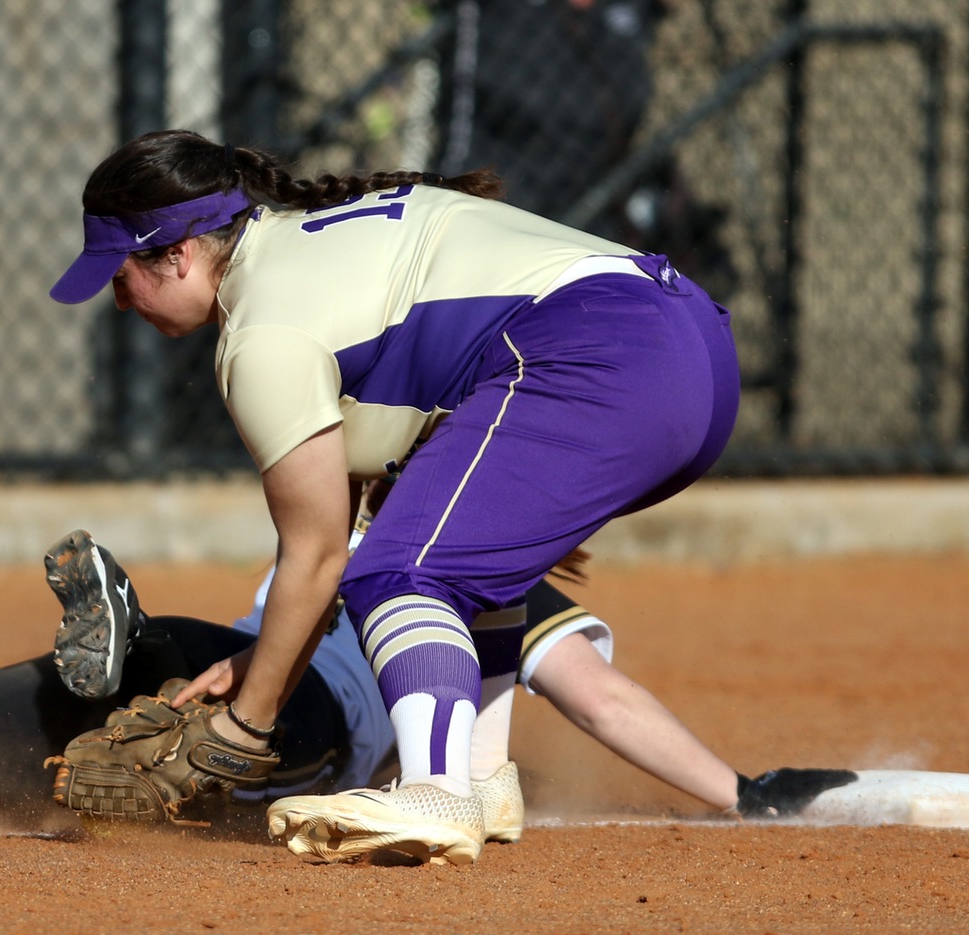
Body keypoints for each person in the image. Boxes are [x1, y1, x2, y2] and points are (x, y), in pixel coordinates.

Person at [0, 436, 842, 836]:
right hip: (281, 729)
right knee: (244, 699)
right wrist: (746, 790)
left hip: (209, 684)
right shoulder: (488, 581)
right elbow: (600, 700)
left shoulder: (335, 526)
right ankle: (135, 644)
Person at [48, 129, 741, 863]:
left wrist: (243, 729)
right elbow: (327, 532)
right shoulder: (304, 246)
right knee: (459, 560)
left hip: (606, 351)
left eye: (121, 276)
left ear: (179, 255)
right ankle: (480, 774)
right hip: (690, 345)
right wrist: (265, 668)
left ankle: (436, 790)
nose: (121, 302)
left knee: (398, 572)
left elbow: (319, 555)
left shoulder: (262, 331)